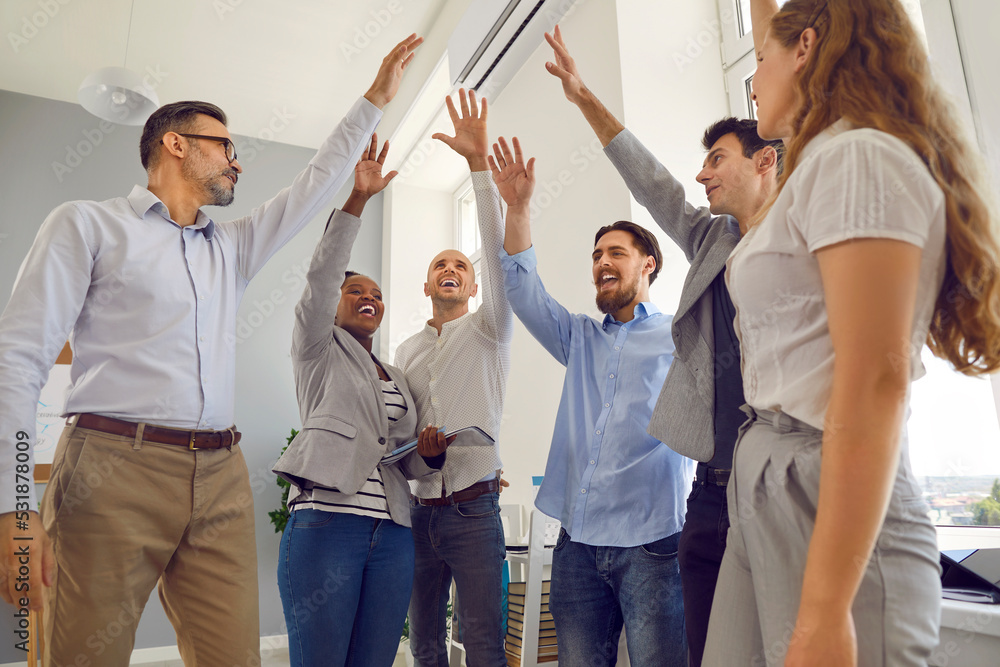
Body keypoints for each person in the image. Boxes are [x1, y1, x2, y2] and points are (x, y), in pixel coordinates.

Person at [0, 35, 422, 664]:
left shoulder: (232, 246)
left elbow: (312, 186)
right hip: (111, 466)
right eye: (226, 147)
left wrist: (376, 98)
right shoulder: (86, 225)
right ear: (176, 144)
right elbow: (19, 362)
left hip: (220, 473)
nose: (237, 163)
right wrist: (13, 506)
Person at [701, 1, 1000, 665]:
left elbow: (876, 377)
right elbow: (775, 32)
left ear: (805, 48)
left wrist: (828, 607)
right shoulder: (817, 166)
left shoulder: (859, 158)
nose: (752, 82)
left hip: (826, 485)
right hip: (768, 476)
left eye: (760, 60)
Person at [543, 26, 783, 666]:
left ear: (767, 160)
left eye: (717, 159)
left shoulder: (801, 234)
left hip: (781, 472)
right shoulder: (713, 242)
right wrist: (583, 98)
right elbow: (654, 184)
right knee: (708, 651)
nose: (701, 173)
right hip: (712, 485)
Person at [491, 135, 695, 666]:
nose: (602, 263)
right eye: (597, 255)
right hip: (577, 545)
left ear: (648, 264)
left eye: (616, 254)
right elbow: (522, 288)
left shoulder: (683, 336)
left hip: (654, 544)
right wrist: (517, 208)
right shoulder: (579, 337)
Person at [273, 135, 449, 667]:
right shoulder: (317, 348)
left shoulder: (394, 373)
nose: (370, 298)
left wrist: (431, 454)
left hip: (394, 532)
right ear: (332, 309)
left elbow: (404, 460)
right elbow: (323, 274)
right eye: (357, 292)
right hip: (329, 523)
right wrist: (357, 200)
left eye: (377, 294)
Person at [394, 88, 512, 667]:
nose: (451, 270)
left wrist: (478, 167)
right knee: (425, 645)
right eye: (440, 264)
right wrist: (426, 457)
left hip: (475, 511)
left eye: (460, 267)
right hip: (419, 512)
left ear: (472, 285)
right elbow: (401, 441)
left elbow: (496, 251)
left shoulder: (491, 328)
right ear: (426, 285)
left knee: (486, 645)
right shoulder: (405, 351)